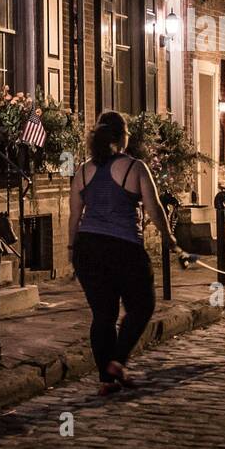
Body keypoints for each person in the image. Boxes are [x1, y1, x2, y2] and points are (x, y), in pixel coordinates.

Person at [68, 111, 178, 395]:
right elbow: (154, 209)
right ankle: (117, 361)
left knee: (102, 315)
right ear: (122, 137)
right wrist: (169, 237)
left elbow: (74, 216)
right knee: (142, 306)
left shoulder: (82, 171)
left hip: (88, 248)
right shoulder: (135, 168)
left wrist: (71, 250)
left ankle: (106, 379)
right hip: (124, 248)